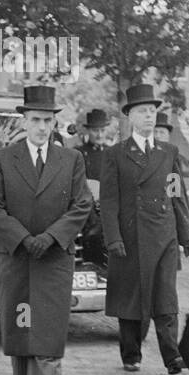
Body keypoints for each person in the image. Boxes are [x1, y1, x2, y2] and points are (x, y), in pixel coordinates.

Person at [0, 84, 92, 375]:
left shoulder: (71, 160)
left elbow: (82, 205)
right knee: (22, 321)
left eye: (48, 121)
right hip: (16, 256)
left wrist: (51, 237)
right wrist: (22, 238)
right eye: (36, 120)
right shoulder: (2, 159)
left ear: (55, 123)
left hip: (54, 257)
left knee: (48, 324)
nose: (43, 127)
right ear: (24, 122)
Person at [102, 82, 189, 375]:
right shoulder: (116, 154)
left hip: (163, 234)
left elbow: (176, 194)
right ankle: (131, 354)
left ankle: (172, 356)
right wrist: (113, 237)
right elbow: (109, 201)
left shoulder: (168, 152)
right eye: (142, 111)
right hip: (130, 237)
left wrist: (186, 233)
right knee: (130, 296)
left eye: (152, 111)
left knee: (166, 296)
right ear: (130, 116)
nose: (149, 116)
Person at [75, 107, 112, 269]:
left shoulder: (113, 154)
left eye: (102, 130)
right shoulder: (79, 154)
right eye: (95, 130)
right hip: (86, 205)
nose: (99, 134)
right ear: (88, 131)